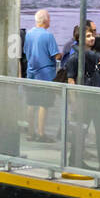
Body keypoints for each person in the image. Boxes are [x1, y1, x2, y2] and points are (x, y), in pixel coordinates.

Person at [24, 9, 60, 141]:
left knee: (31, 103)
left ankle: (30, 132)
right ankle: (41, 133)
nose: (50, 20)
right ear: (45, 20)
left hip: (31, 72)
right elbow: (55, 54)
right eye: (49, 18)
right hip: (46, 75)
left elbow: (26, 52)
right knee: (43, 104)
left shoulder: (29, 34)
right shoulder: (48, 36)